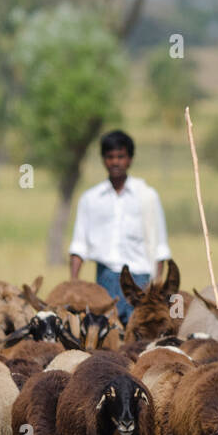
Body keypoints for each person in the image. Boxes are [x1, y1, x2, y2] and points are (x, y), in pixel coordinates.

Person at [68, 130, 171, 325]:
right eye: (110, 157)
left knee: (139, 336)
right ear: (103, 160)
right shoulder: (91, 199)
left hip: (140, 279)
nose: (115, 162)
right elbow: (78, 246)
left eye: (121, 156)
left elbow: (160, 248)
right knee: (105, 337)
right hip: (105, 278)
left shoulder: (147, 196)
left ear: (130, 159)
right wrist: (73, 286)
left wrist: (155, 291)